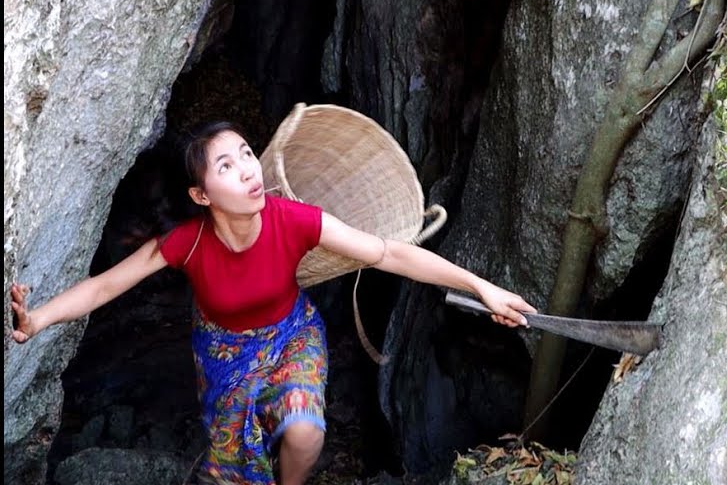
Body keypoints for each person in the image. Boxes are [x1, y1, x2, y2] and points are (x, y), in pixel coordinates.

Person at [10, 120, 536, 485]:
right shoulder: (187, 243)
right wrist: (38, 320)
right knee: (235, 462)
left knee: (304, 432)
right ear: (201, 194)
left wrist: (479, 286)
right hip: (221, 352)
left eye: (246, 154)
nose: (247, 169)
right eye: (226, 165)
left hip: (290, 335)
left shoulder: (293, 218)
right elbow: (104, 286)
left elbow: (391, 254)